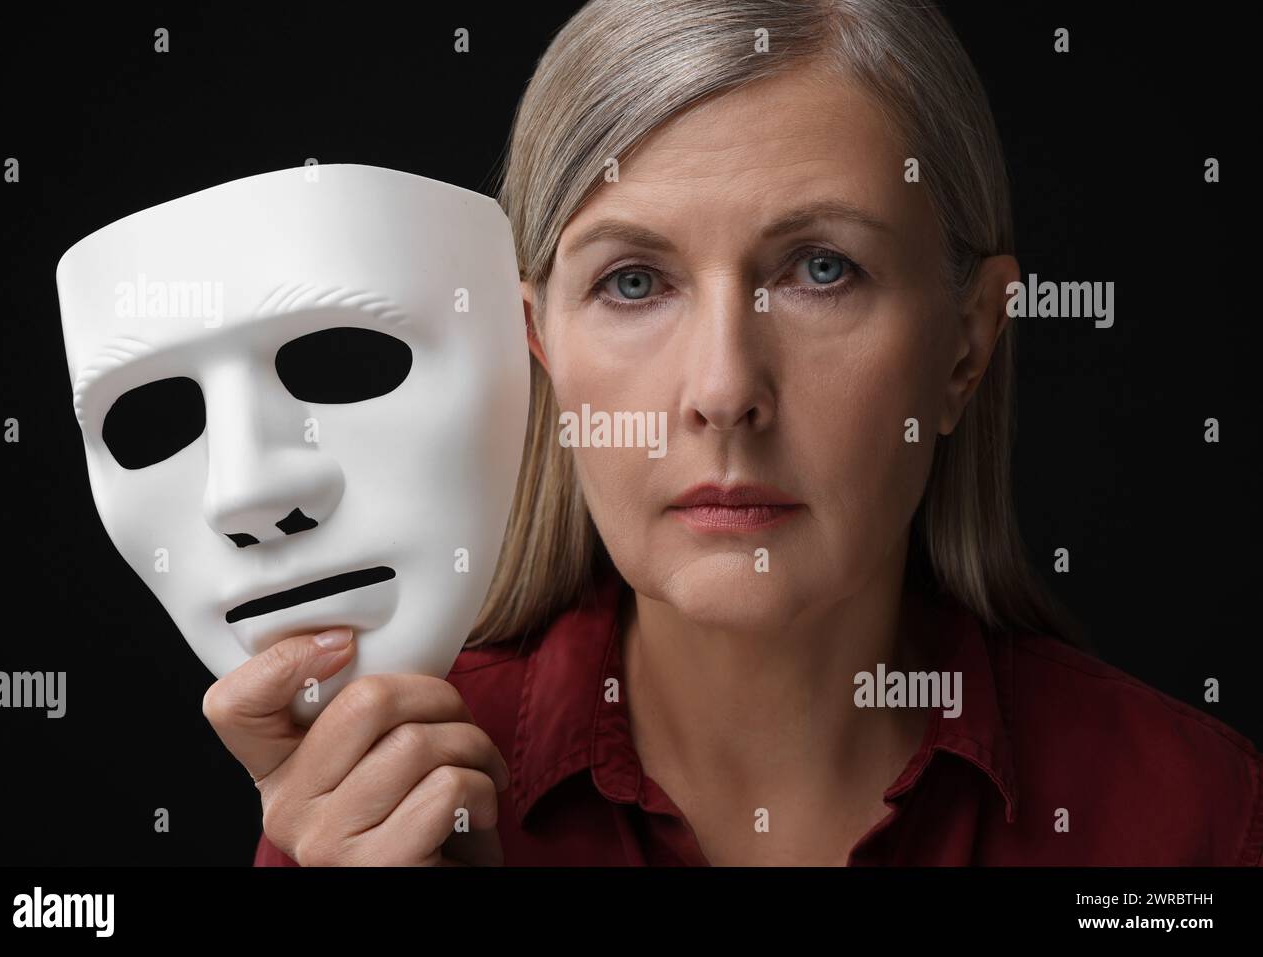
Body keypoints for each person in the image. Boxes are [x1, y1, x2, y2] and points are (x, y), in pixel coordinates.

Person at [202, 0, 1262, 866]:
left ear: (965, 344)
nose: (722, 389)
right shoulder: (375, 818)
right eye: (631, 282)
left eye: (819, 269)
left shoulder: (1186, 819)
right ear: (537, 348)